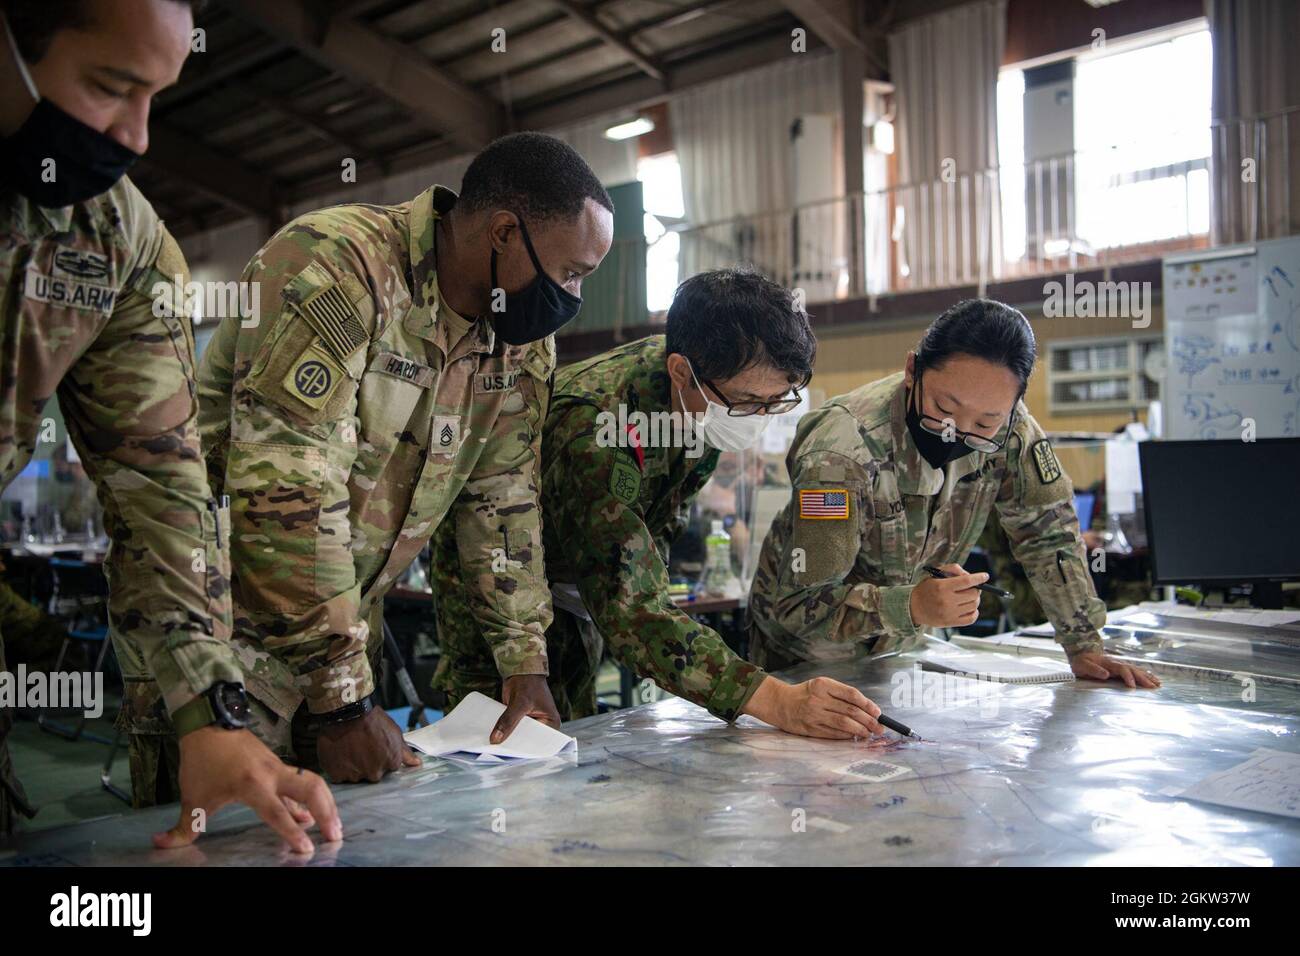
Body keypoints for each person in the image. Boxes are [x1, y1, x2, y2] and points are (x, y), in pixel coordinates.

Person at [0, 0, 339, 851]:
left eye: (156, 95)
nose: (141, 137)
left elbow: (161, 485)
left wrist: (211, 712)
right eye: (113, 86)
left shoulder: (114, 237)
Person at [194, 132, 614, 781]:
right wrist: (343, 704)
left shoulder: (517, 344)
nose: (572, 297)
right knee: (213, 844)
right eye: (570, 273)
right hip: (226, 644)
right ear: (504, 231)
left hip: (344, 644)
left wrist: (523, 663)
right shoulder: (340, 267)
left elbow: (502, 500)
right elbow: (289, 496)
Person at [433, 270, 886, 740]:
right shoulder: (598, 426)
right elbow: (632, 609)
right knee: (503, 741)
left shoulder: (701, 400)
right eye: (748, 401)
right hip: (504, 594)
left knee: (573, 733)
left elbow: (656, 534)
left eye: (775, 402)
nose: (757, 418)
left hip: (579, 594)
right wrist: (775, 700)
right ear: (680, 372)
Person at [748, 298, 1160, 689]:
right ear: (913, 370)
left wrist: (1083, 643)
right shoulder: (841, 451)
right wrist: (910, 606)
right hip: (803, 666)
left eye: (984, 424)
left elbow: (1047, 534)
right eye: (945, 408)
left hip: (898, 659)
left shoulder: (1013, 431)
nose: (958, 432)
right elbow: (800, 606)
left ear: (1014, 405)